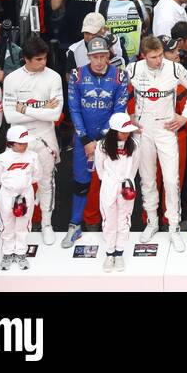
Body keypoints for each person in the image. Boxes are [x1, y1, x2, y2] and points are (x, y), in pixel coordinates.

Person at [128, 35, 187, 249]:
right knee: (148, 180)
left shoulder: (174, 68)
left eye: (160, 55)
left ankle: (174, 227)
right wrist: (128, 115)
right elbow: (118, 92)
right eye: (153, 57)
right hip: (143, 130)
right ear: (144, 56)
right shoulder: (132, 69)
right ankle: (151, 222)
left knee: (171, 180)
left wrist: (185, 115)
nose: (158, 60)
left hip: (166, 129)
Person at [63, 35, 129, 248]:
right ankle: (75, 225)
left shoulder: (120, 76)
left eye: (103, 56)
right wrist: (85, 139)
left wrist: (99, 140)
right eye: (95, 57)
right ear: (88, 56)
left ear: (109, 55)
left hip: (108, 140)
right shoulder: (77, 75)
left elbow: (119, 110)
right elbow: (73, 108)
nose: (100, 61)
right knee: (81, 182)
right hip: (83, 139)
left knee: (110, 183)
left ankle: (112, 227)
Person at [1, 36, 62, 246]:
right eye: (38, 59)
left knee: (47, 182)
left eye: (45, 58)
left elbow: (55, 115)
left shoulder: (53, 77)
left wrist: (25, 109)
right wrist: (43, 111)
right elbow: (10, 117)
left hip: (45, 138)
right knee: (18, 185)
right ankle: (19, 226)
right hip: (20, 140)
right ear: (25, 59)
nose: (43, 63)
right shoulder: (12, 80)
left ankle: (47, 223)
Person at [95, 112, 141, 273]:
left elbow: (134, 168)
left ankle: (119, 252)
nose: (127, 133)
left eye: (128, 130)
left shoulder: (134, 145)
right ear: (114, 131)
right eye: (123, 131)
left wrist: (127, 182)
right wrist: (109, 182)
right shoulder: (102, 145)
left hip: (127, 185)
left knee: (124, 219)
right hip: (108, 186)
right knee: (109, 220)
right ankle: (109, 253)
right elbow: (99, 169)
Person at [0, 127, 34, 273]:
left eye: (26, 142)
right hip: (7, 195)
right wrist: (11, 186)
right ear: (11, 143)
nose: (24, 145)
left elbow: (37, 175)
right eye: (21, 143)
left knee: (24, 224)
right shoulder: (2, 158)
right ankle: (7, 253)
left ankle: (21, 253)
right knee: (7, 224)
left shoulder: (33, 156)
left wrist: (23, 186)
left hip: (26, 194)